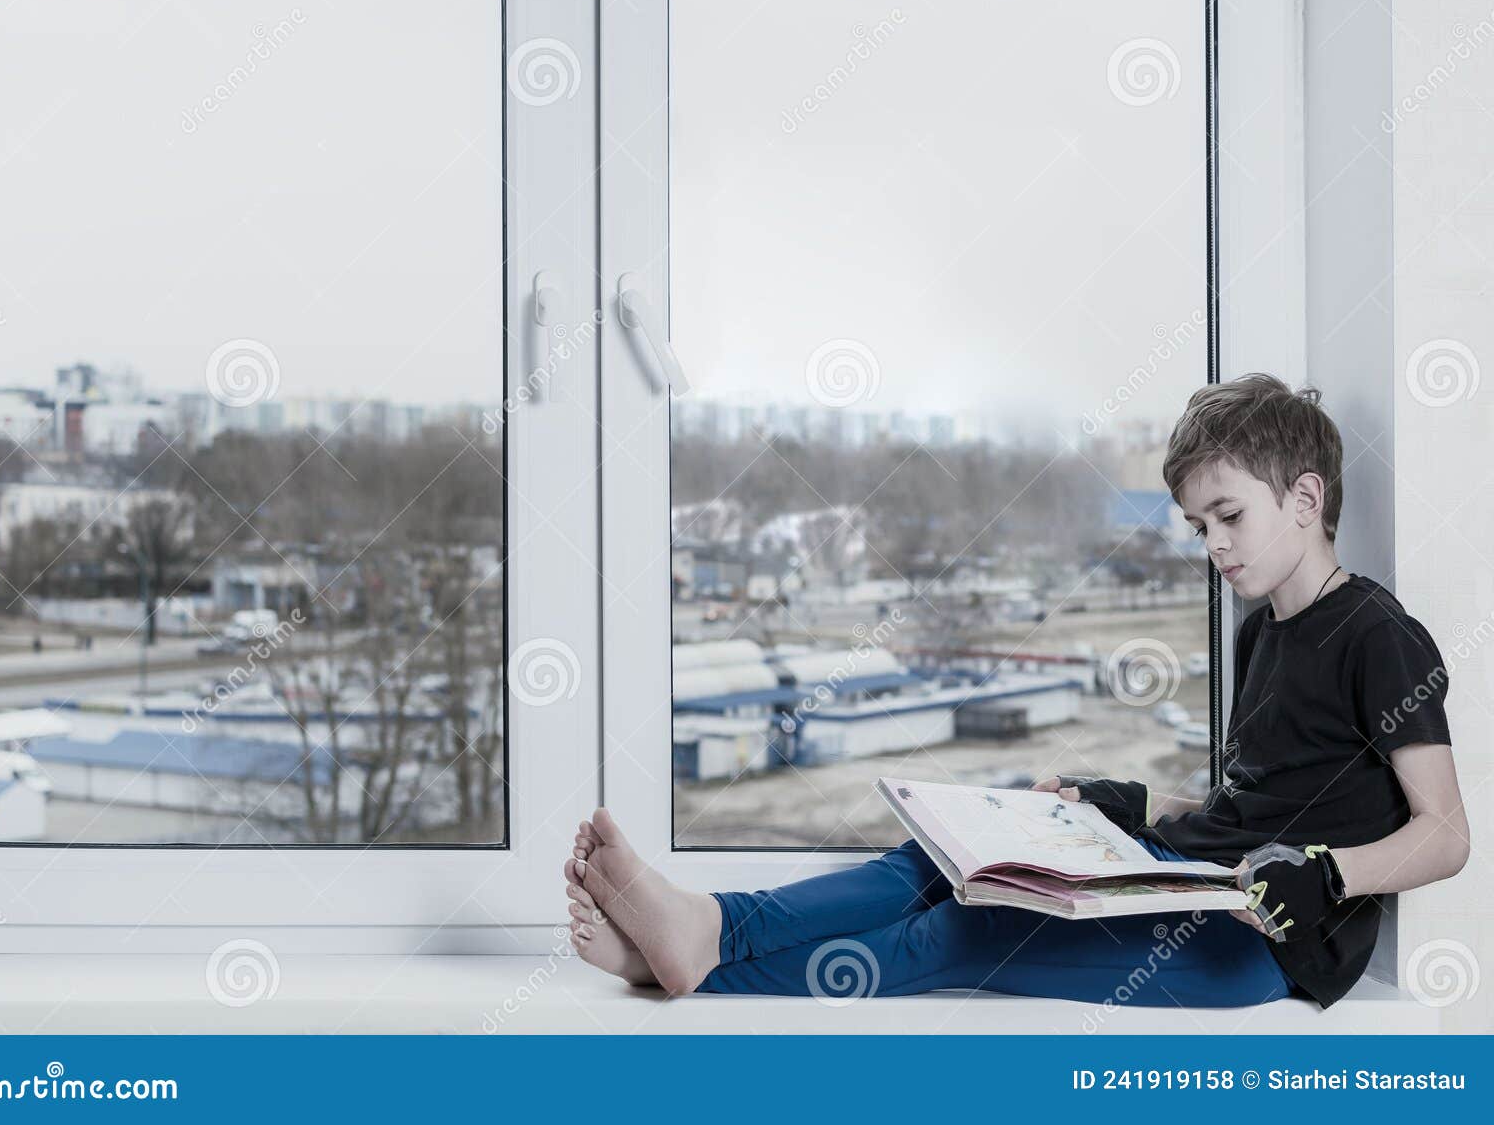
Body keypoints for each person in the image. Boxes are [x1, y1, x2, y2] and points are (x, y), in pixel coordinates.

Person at [563, 374, 1470, 1008]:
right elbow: (1260, 800)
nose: (1213, 547)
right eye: (1199, 526)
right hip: (1189, 875)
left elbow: (1446, 834)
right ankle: (709, 925)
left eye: (1228, 517)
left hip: (1258, 946)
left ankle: (694, 964)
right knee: (942, 863)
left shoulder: (1379, 638)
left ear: (1306, 500)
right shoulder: (1261, 626)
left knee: (962, 933)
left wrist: (1328, 874)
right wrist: (1133, 802)